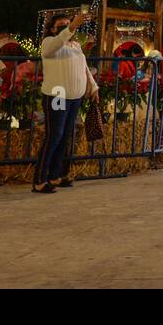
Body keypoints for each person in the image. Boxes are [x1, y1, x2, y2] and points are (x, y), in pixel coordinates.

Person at [33, 11, 98, 194]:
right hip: (58, 95)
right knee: (54, 135)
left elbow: (84, 68)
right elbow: (53, 46)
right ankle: (40, 179)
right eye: (61, 24)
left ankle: (55, 175)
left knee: (65, 136)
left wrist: (93, 88)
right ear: (53, 29)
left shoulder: (75, 45)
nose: (66, 25)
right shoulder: (49, 43)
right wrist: (71, 27)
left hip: (74, 97)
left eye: (68, 23)